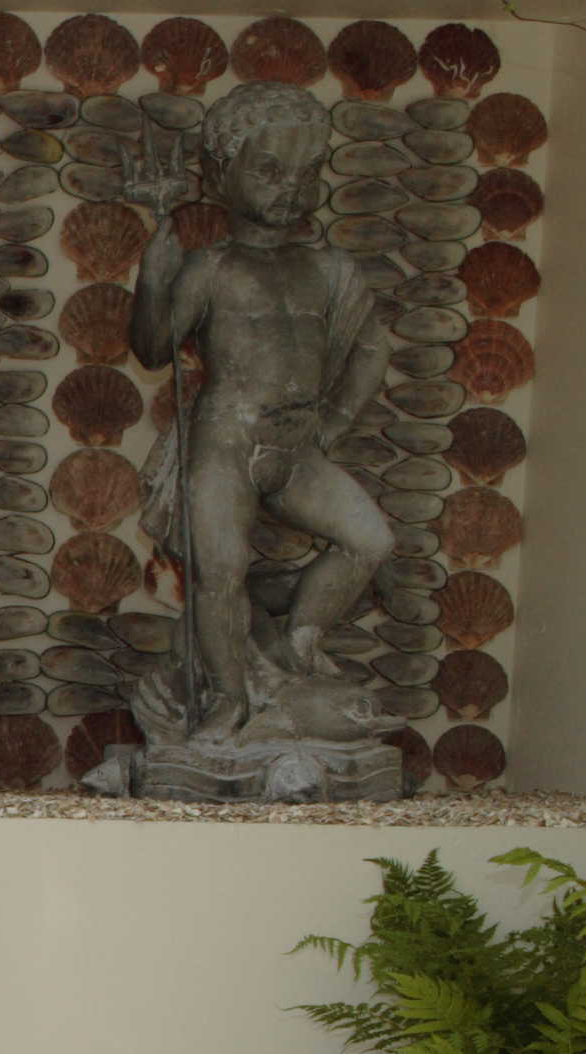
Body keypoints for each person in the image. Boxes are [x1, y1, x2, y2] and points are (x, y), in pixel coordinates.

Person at [119, 79, 396, 739]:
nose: (291, 189)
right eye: (270, 171)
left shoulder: (330, 269)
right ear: (221, 174)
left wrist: (333, 424)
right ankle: (228, 698)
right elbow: (154, 348)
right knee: (220, 573)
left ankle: (299, 641)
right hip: (225, 441)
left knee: (371, 540)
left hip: (296, 445)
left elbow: (370, 350)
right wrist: (154, 278)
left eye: (306, 172)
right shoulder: (210, 267)